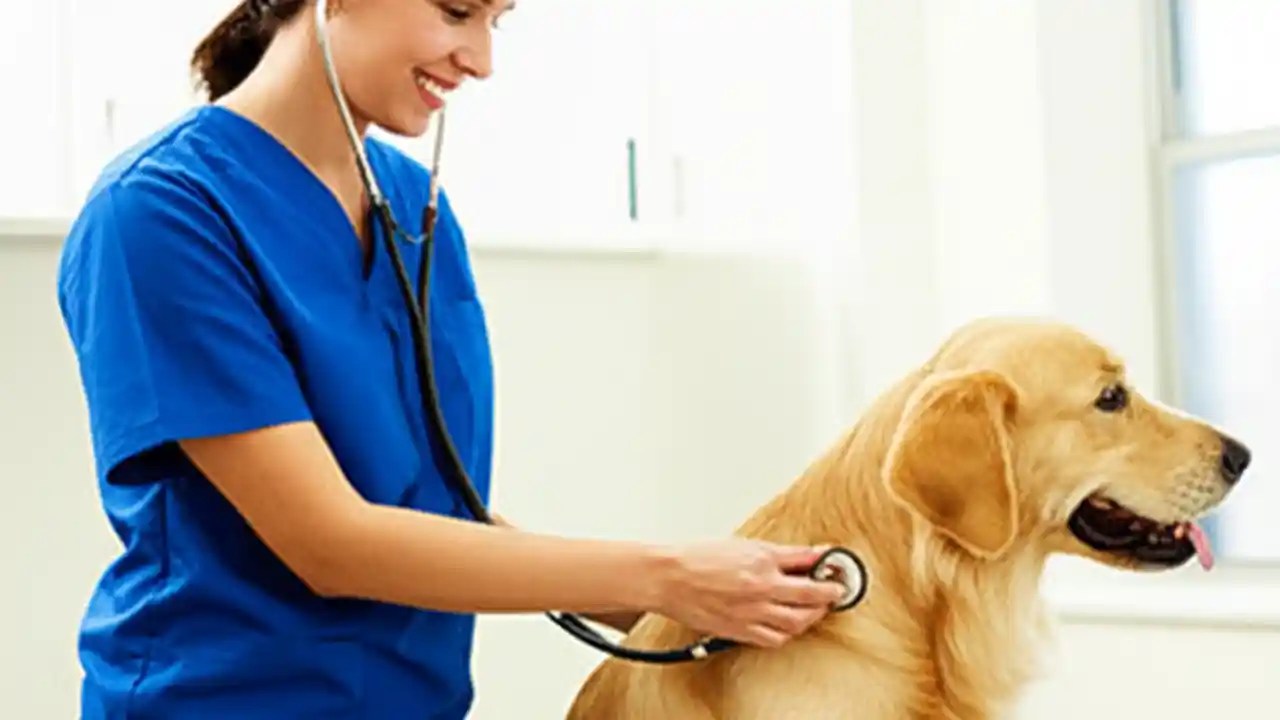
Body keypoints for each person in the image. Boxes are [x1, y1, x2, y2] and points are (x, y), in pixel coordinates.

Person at [55, 1, 846, 717]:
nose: (481, 60)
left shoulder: (410, 205)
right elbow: (330, 542)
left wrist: (712, 610)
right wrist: (668, 576)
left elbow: (437, 510)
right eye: (457, 12)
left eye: (495, 22)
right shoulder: (160, 212)